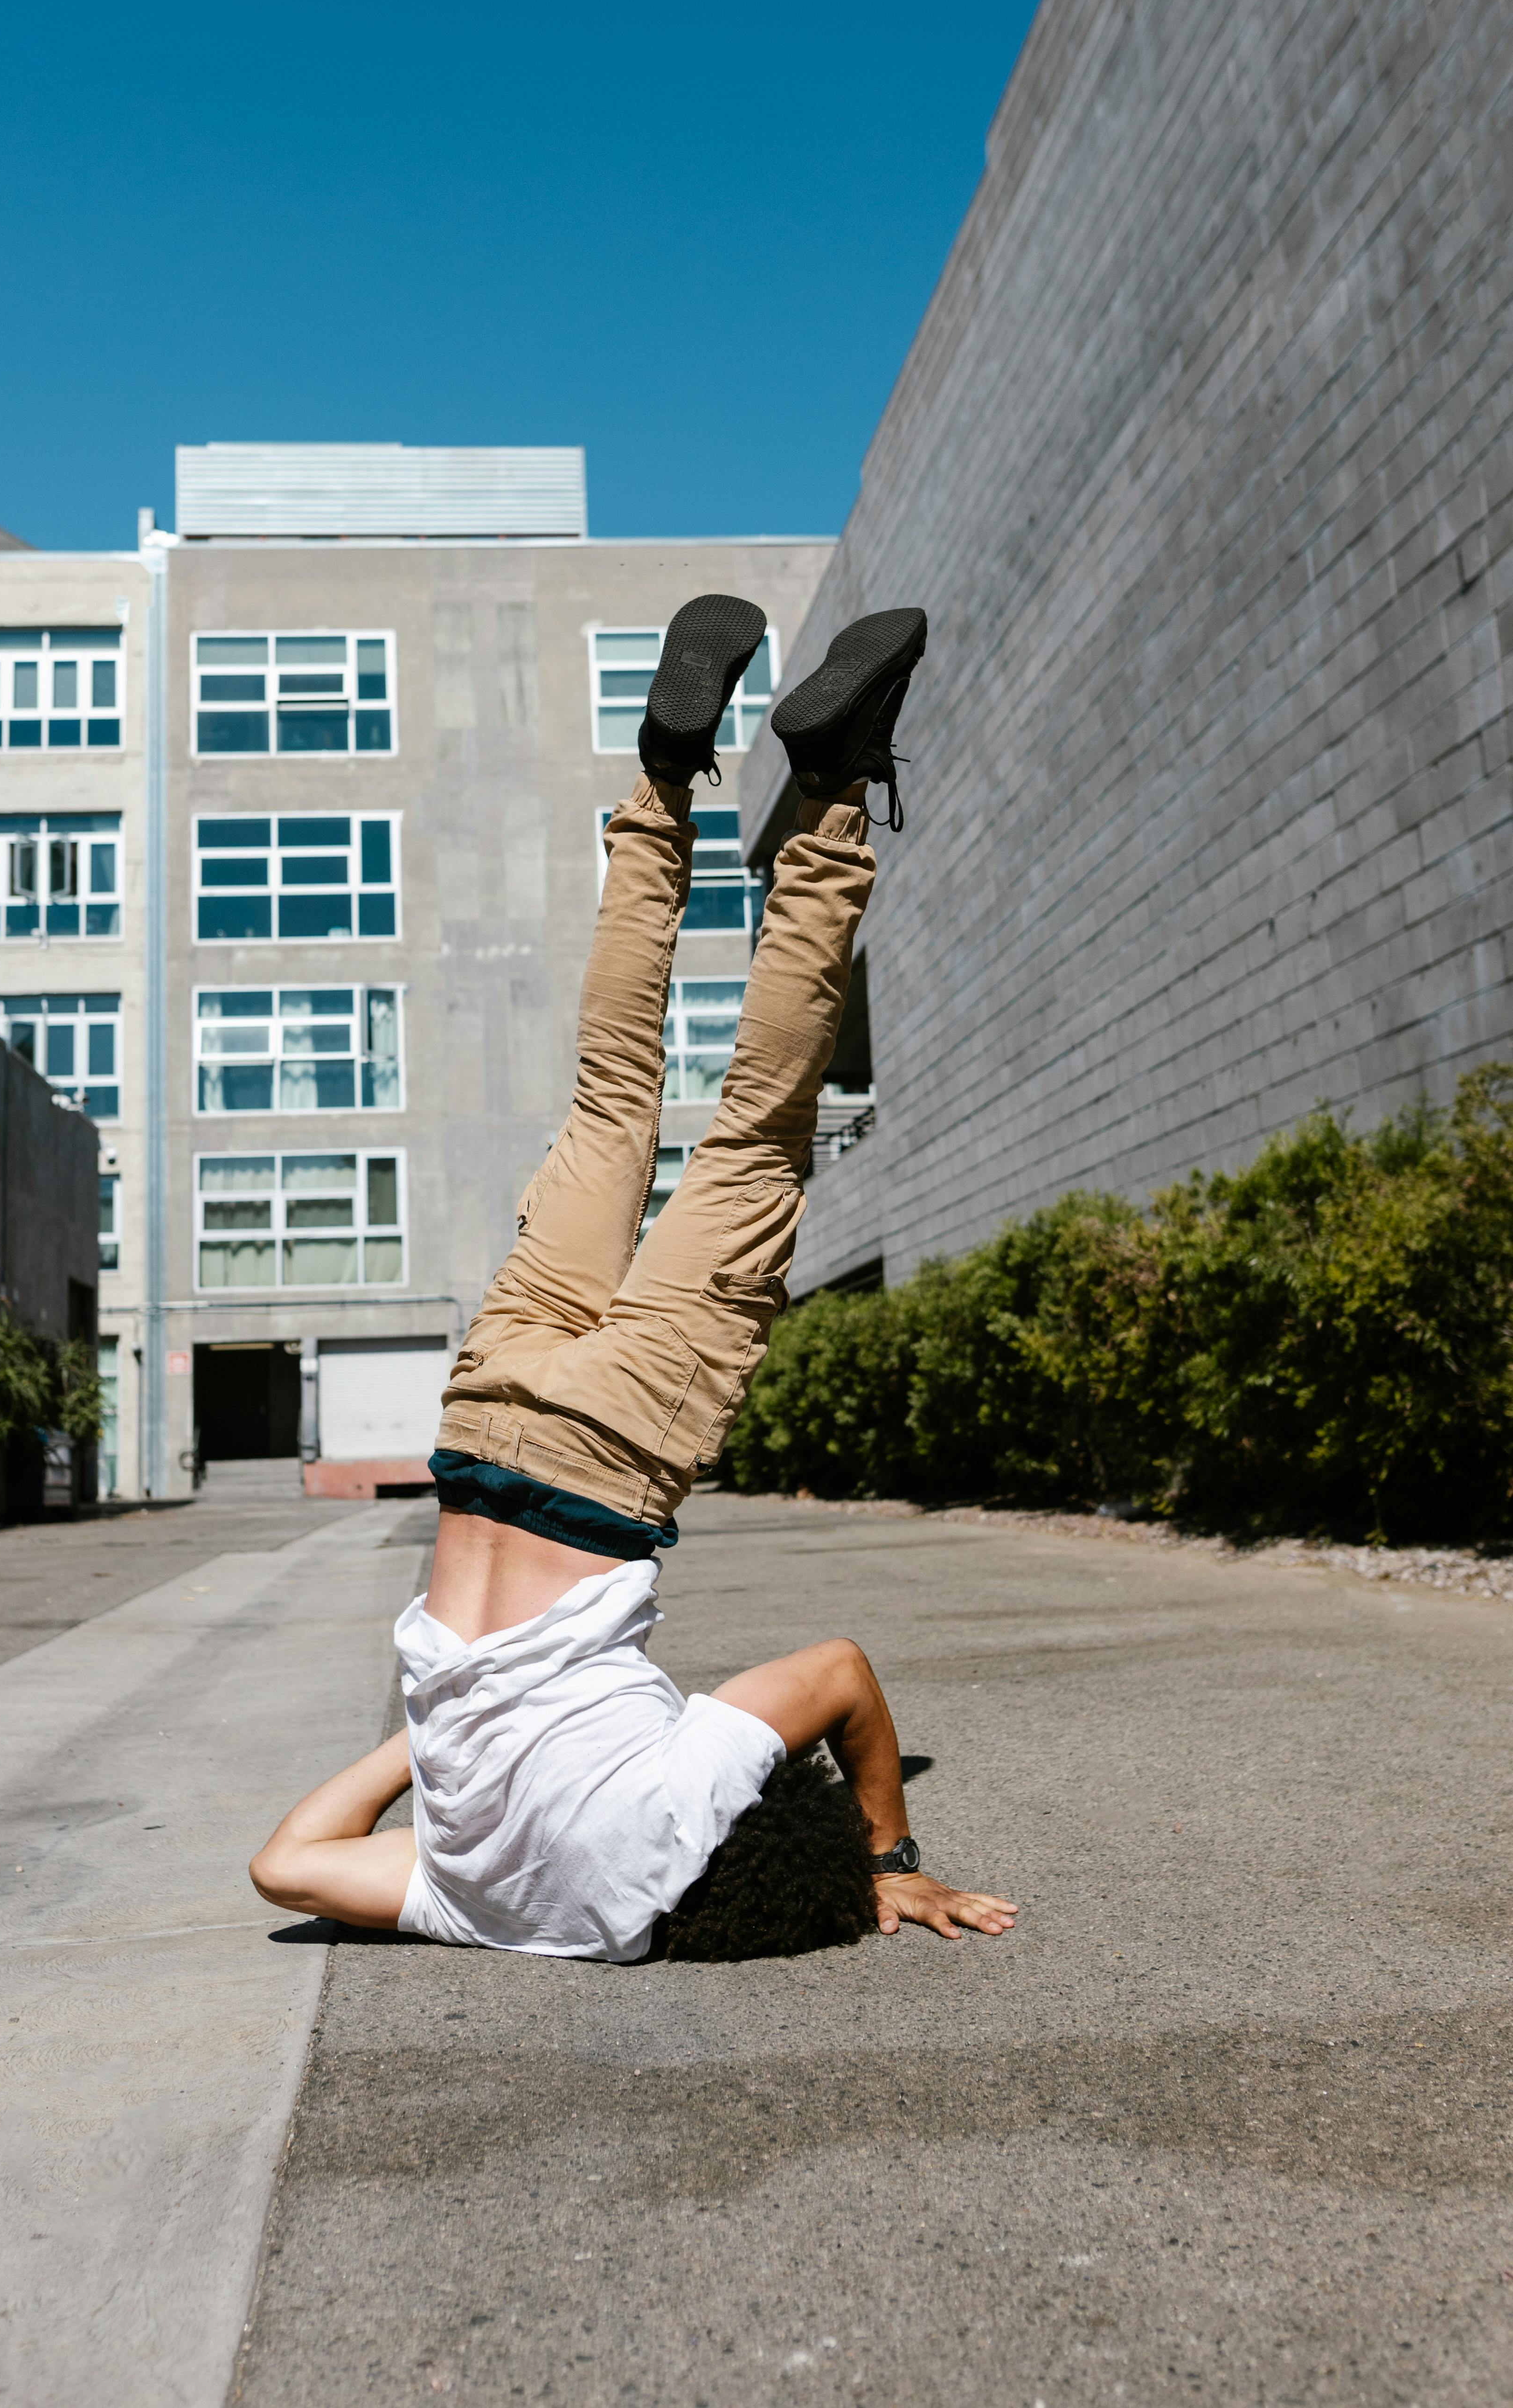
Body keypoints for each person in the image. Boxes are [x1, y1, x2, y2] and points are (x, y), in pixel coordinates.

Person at [251, 597, 1017, 1963]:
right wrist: (435, 1738)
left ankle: (830, 794)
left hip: (612, 1452)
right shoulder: (481, 1898)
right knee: (608, 1099)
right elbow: (285, 1866)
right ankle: (661, 780)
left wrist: (887, 1858)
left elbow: (837, 1677)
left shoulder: (666, 1837)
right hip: (480, 1429)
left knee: (758, 1123)